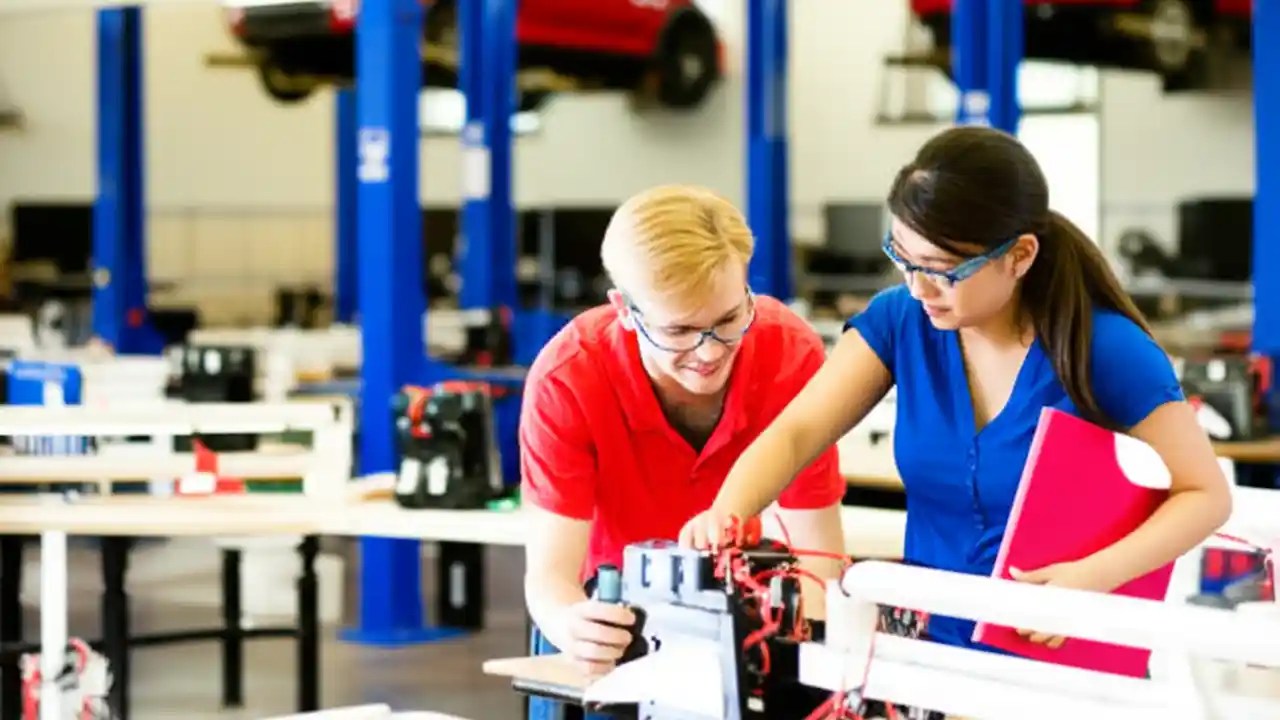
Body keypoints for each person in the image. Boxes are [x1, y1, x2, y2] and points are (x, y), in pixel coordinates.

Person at [679, 127, 1233, 717]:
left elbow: (1204, 495)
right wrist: (727, 512)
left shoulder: (1102, 348)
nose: (919, 288)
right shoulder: (901, 321)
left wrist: (1086, 580)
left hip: (1063, 666)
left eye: (943, 269)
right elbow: (795, 435)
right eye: (902, 259)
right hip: (928, 660)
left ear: (1020, 255)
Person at [518, 184, 848, 689]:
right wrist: (571, 625)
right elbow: (549, 578)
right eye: (678, 331)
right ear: (623, 308)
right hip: (610, 623)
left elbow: (820, 561)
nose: (710, 351)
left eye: (729, 320)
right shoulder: (569, 378)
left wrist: (815, 655)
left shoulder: (790, 355)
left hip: (749, 620)